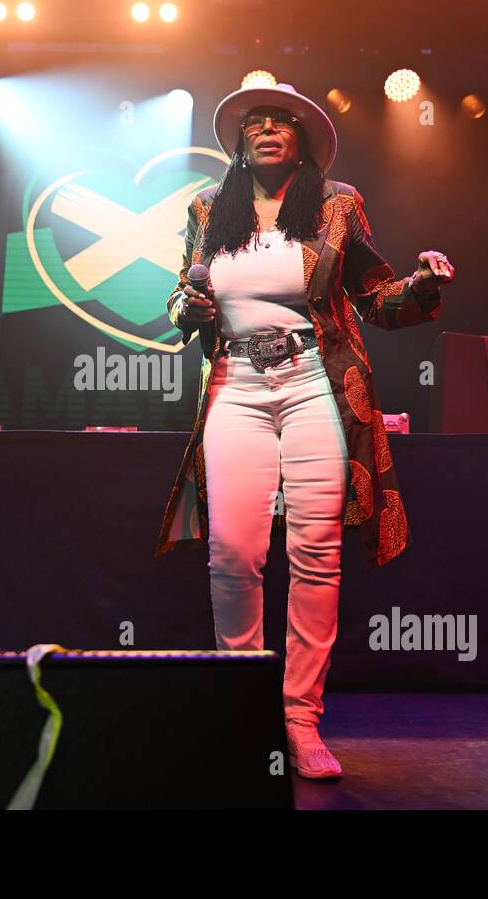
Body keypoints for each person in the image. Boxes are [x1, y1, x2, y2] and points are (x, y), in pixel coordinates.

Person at [155, 83, 454, 780]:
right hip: (235, 385)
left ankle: (299, 720)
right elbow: (180, 298)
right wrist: (187, 304)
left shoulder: (336, 204)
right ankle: (244, 706)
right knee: (233, 549)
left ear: (304, 140)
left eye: (281, 122)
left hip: (314, 382)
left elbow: (376, 299)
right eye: (253, 122)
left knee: (316, 550)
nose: (266, 129)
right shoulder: (207, 208)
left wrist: (421, 285)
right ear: (238, 142)